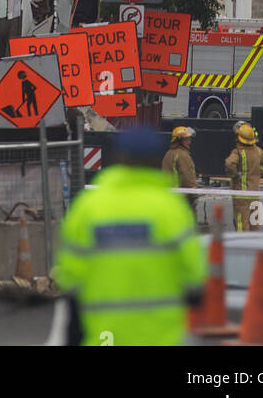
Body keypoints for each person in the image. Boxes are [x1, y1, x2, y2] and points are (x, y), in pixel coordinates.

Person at [51, 128, 207, 346]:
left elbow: (69, 276)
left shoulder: (88, 207)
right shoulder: (172, 211)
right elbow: (194, 276)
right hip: (160, 340)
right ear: (155, 161)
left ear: (119, 158)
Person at [225, 122, 263, 232]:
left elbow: (229, 164)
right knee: (254, 224)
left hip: (241, 196)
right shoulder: (258, 151)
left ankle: (243, 245)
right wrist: (259, 173)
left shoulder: (238, 152)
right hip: (255, 195)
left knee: (242, 224)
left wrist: (235, 175)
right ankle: (254, 244)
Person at [162, 125, 198, 214]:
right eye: (187, 139)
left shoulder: (169, 153)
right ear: (179, 141)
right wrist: (194, 194)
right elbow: (187, 178)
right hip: (181, 199)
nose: (190, 142)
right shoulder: (182, 155)